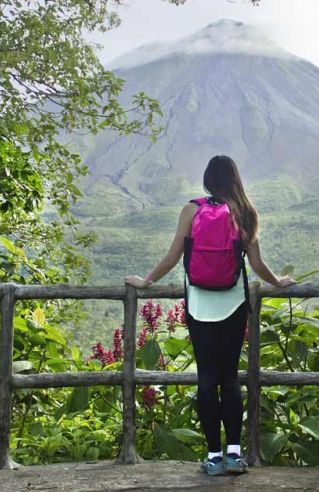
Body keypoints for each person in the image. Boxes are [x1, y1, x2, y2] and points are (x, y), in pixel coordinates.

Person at [125, 155, 296, 476]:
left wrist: (145, 281)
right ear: (235, 179)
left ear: (207, 179)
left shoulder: (192, 209)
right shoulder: (245, 211)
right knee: (230, 379)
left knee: (206, 381)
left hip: (199, 304)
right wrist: (279, 282)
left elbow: (173, 256)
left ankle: (214, 457)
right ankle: (235, 454)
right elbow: (257, 265)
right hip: (232, 304)